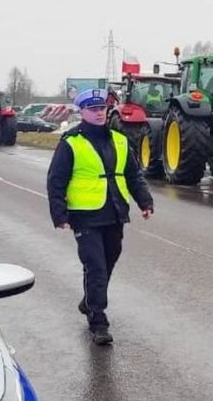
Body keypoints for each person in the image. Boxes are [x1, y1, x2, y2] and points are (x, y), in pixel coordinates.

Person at [47, 88, 154, 345]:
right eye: (93, 109)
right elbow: (56, 180)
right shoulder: (71, 142)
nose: (99, 113)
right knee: (95, 266)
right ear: (82, 112)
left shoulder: (120, 140)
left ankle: (89, 301)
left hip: (114, 212)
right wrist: (59, 214)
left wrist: (145, 201)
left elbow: (133, 175)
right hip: (85, 216)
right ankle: (98, 320)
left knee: (108, 262)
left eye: (102, 109)